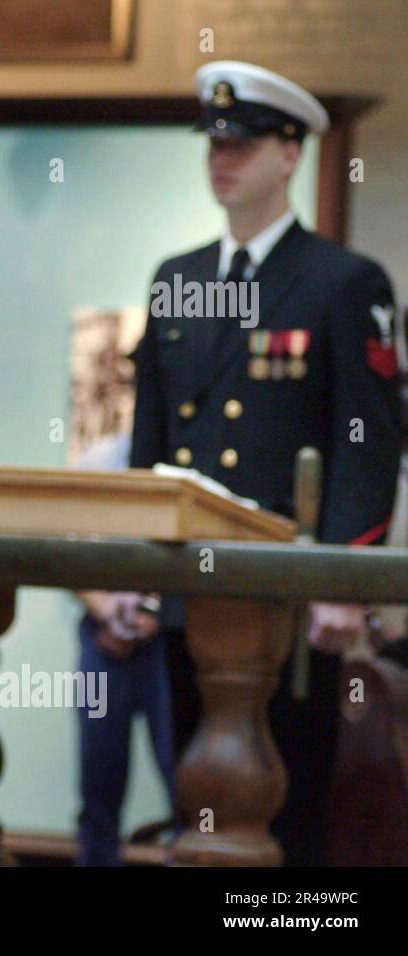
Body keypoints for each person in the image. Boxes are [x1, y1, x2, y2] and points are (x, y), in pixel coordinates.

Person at [130, 61, 400, 864]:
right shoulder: (175, 280)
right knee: (197, 799)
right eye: (214, 144)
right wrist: (132, 569)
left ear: (291, 155)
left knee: (288, 812)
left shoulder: (341, 282)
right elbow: (152, 440)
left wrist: (342, 579)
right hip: (188, 591)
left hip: (287, 600)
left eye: (243, 145)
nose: (222, 160)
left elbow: (371, 436)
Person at [73, 433, 177, 866]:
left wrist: (156, 608)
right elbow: (73, 546)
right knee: (98, 777)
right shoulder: (101, 457)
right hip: (102, 632)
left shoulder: (182, 456)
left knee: (184, 776)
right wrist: (105, 608)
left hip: (169, 633)